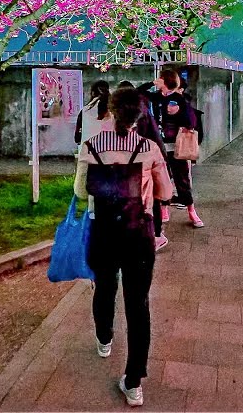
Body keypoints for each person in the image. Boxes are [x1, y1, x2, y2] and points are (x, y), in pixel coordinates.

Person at [75, 87, 174, 407]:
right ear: (139, 116)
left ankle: (104, 338)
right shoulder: (149, 149)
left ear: (112, 111)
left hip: (104, 232)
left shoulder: (91, 146)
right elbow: (166, 194)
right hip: (138, 236)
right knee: (138, 304)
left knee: (104, 287)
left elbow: (80, 191)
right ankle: (133, 382)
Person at [140, 70, 203, 229]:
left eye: (160, 78)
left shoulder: (179, 99)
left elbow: (191, 122)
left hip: (176, 148)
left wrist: (178, 113)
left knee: (182, 180)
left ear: (165, 80)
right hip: (159, 147)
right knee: (162, 180)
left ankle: (192, 212)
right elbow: (137, 92)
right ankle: (164, 209)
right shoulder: (155, 97)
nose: (157, 80)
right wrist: (151, 84)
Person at [118, 81, 171, 249]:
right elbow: (155, 136)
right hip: (143, 161)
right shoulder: (144, 110)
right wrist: (164, 163)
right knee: (151, 196)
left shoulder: (113, 112)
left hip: (120, 163)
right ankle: (154, 235)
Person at [76, 80, 112, 145]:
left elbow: (77, 137)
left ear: (93, 92)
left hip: (87, 151)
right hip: (109, 149)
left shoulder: (85, 110)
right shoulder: (114, 109)